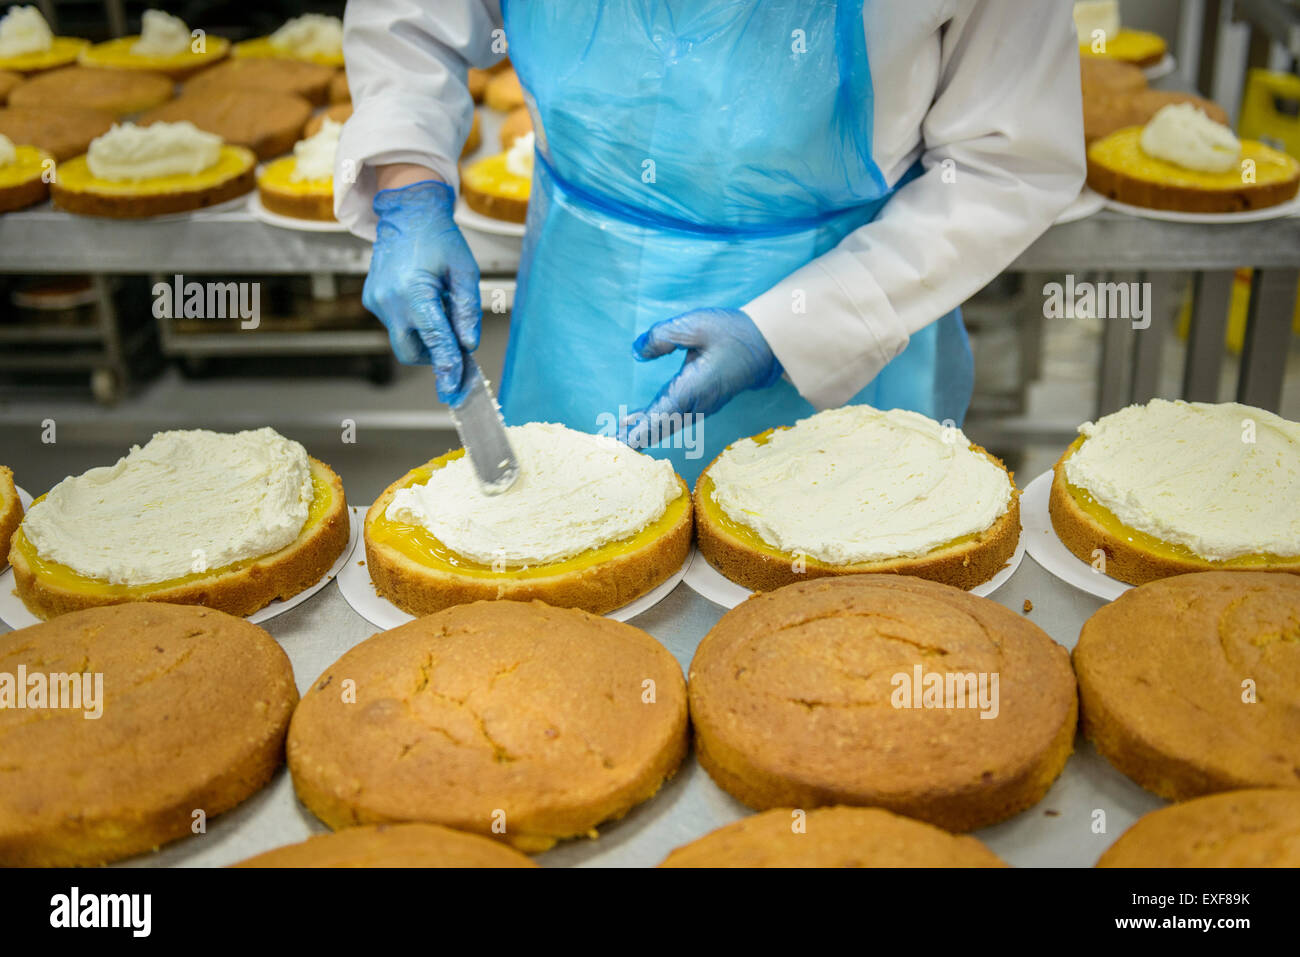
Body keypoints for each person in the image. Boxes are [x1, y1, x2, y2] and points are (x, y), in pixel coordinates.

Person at [338, 0, 1085, 484]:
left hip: (845, 328)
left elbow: (1005, 161)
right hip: (582, 313)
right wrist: (409, 186)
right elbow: (410, 20)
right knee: (571, 637)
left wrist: (794, 330)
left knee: (832, 661)